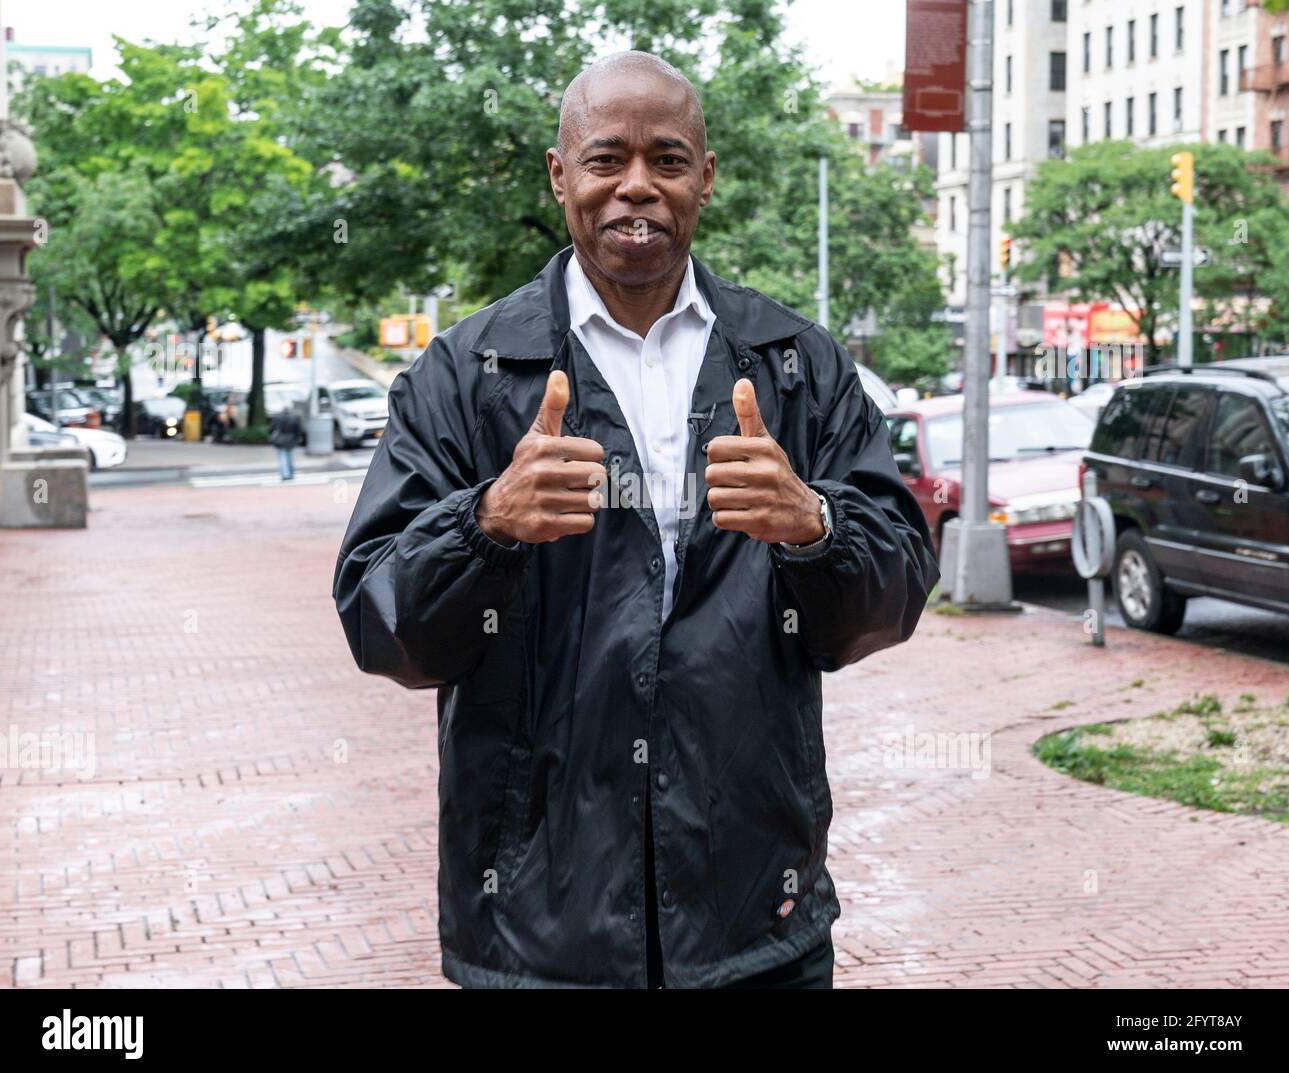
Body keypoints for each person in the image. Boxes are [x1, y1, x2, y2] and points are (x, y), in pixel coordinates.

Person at [333, 51, 940, 989]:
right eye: (607, 158)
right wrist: (484, 525)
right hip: (538, 930)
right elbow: (382, 627)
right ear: (560, 174)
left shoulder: (794, 365)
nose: (636, 188)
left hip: (753, 918)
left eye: (667, 158)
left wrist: (815, 528)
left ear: (705, 175)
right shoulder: (465, 375)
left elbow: (893, 595)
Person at [268, 403, 302, 481]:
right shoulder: (294, 419)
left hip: (280, 441)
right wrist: (296, 439)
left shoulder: (277, 419)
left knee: (282, 458)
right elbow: (298, 431)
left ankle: (285, 474)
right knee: (290, 458)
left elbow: (271, 429)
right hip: (290, 440)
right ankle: (291, 473)